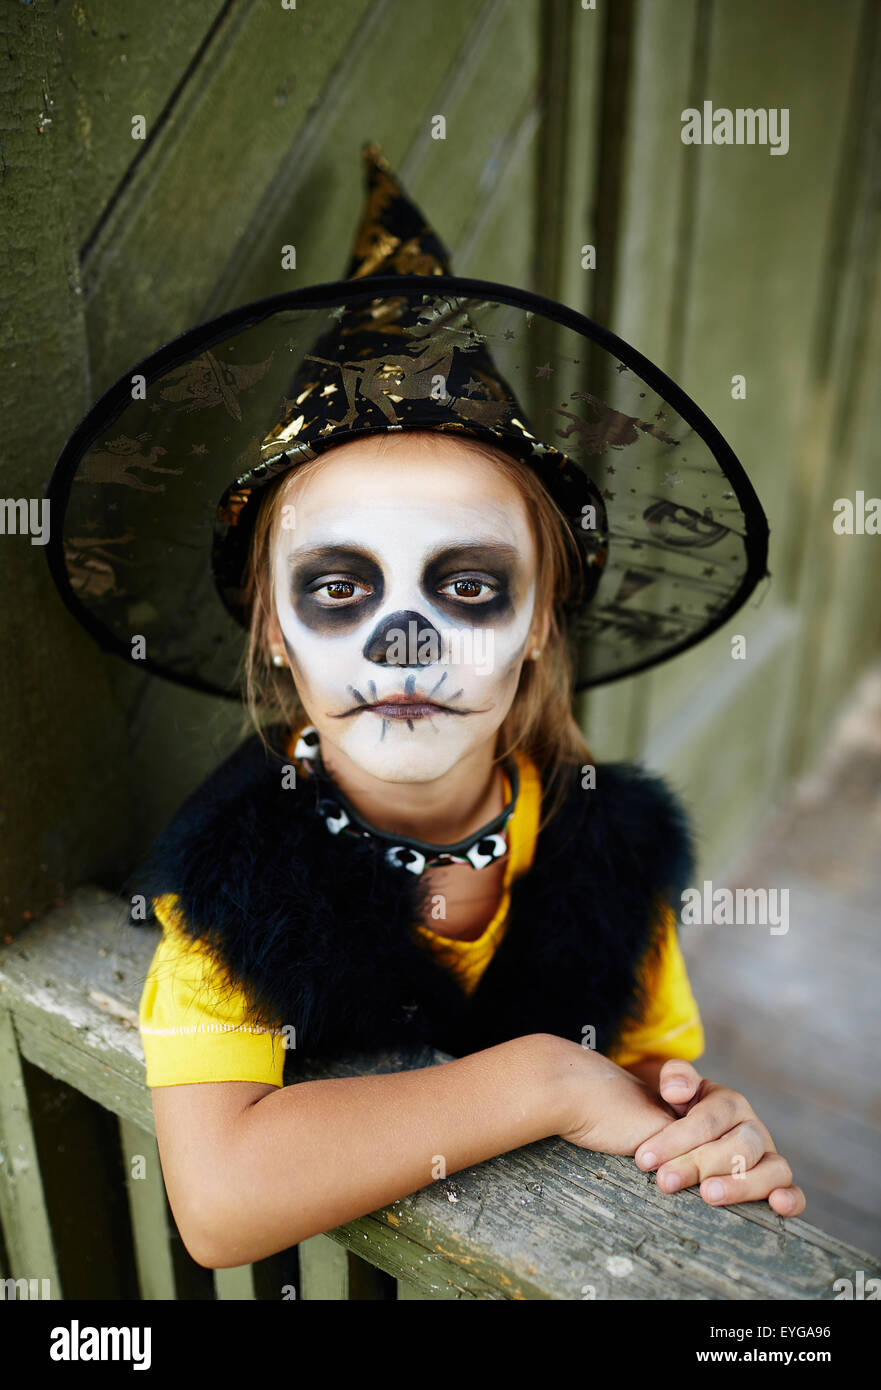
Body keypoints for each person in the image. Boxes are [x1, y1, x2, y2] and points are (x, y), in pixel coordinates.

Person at [46, 143, 804, 1273]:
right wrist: (546, 1077)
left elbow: (644, 1072)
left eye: (466, 586)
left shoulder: (607, 844)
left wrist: (695, 1120)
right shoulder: (237, 881)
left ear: (542, 616)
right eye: (341, 587)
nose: (405, 640)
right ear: (271, 627)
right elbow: (220, 1201)